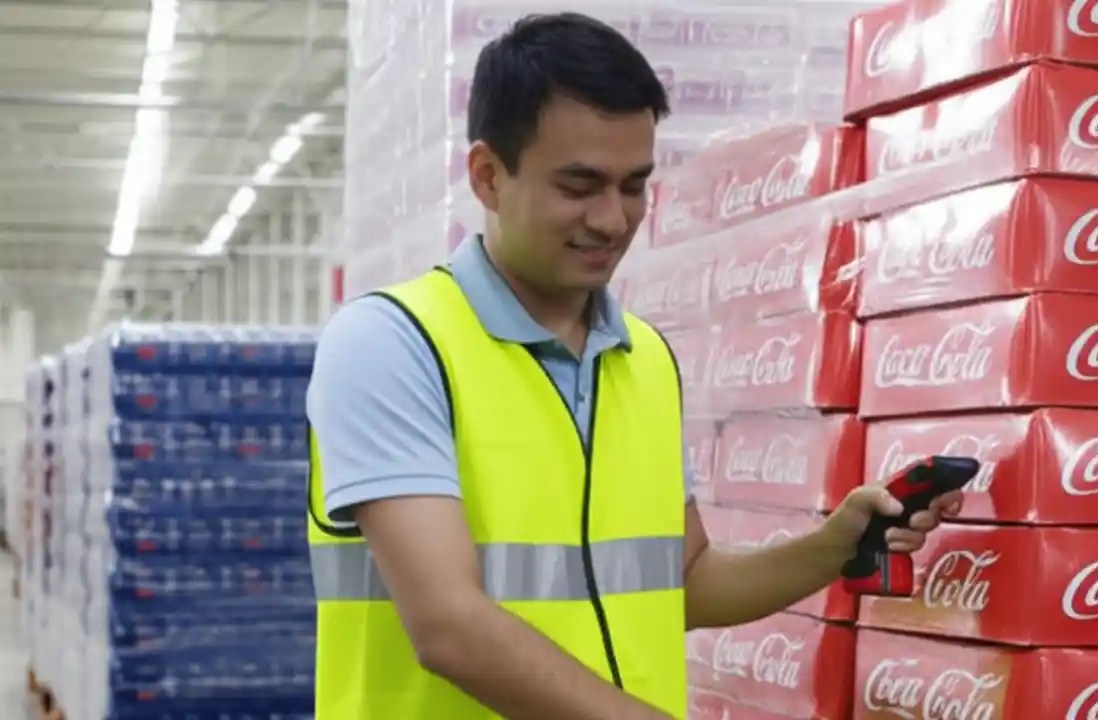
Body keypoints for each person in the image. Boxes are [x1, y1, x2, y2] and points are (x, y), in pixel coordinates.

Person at [305, 11, 962, 720]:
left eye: (634, 185)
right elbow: (449, 627)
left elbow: (687, 583)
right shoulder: (392, 344)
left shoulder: (643, 359)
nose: (613, 220)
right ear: (489, 176)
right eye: (579, 186)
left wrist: (831, 547)